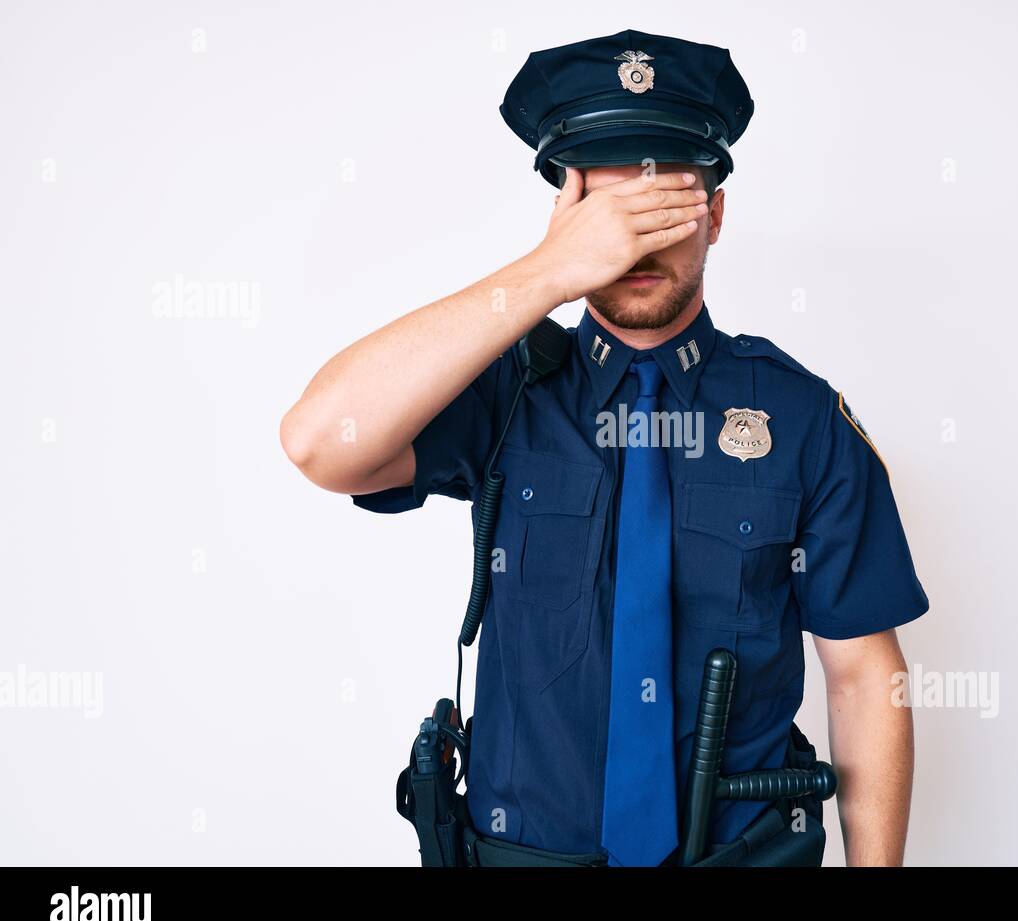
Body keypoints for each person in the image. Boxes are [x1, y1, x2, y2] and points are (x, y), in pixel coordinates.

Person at [280, 28, 929, 867]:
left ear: (718, 215)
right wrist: (548, 271)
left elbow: (862, 676)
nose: (637, 245)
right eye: (609, 215)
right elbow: (319, 441)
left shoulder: (800, 418)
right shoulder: (503, 390)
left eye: (664, 209)